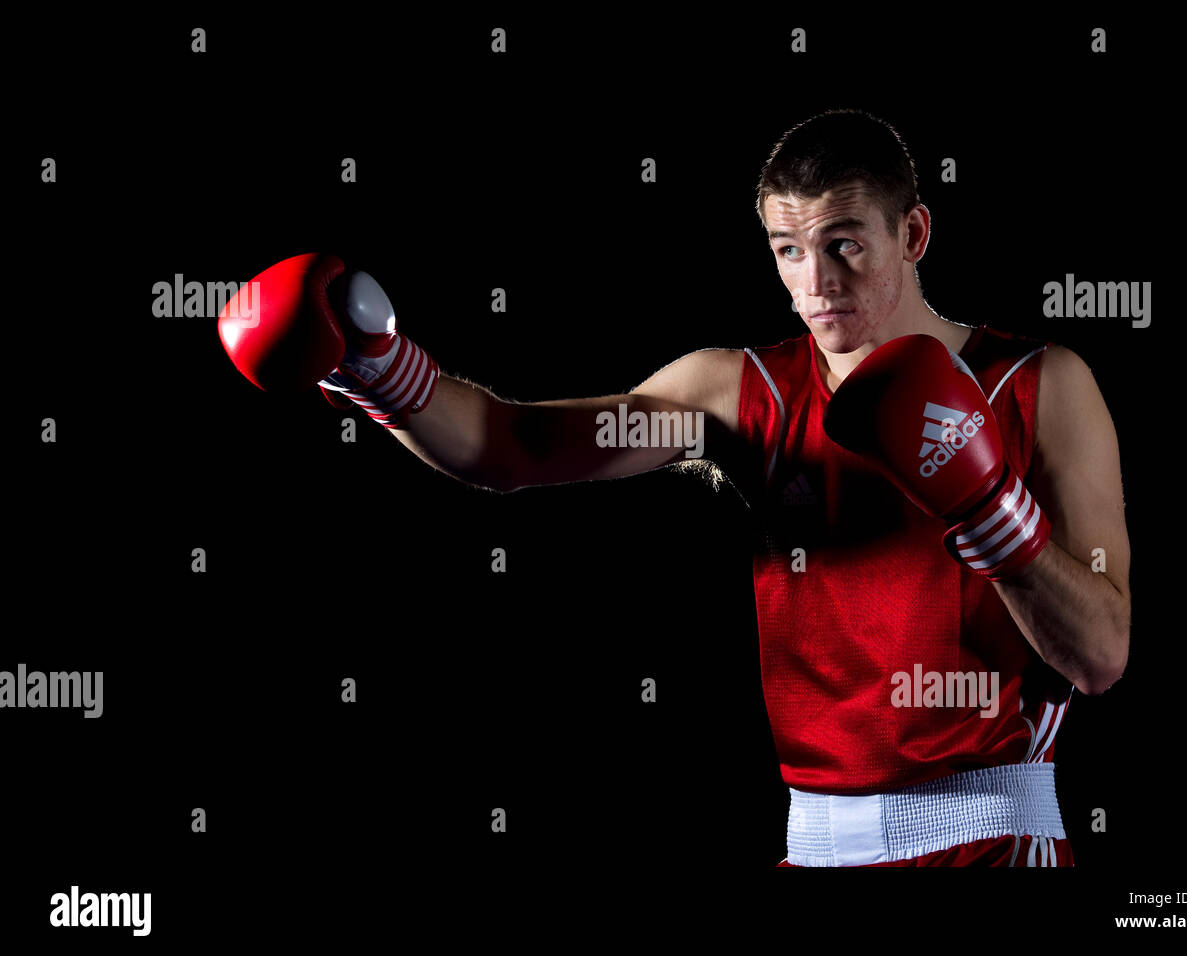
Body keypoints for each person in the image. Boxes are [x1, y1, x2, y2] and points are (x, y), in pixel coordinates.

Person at [218, 109, 1130, 867]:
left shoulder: (1041, 385)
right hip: (813, 849)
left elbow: (1101, 657)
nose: (815, 284)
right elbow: (511, 444)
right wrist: (375, 364)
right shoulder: (742, 391)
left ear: (914, 233)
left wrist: (983, 505)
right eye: (788, 250)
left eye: (845, 246)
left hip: (996, 845)